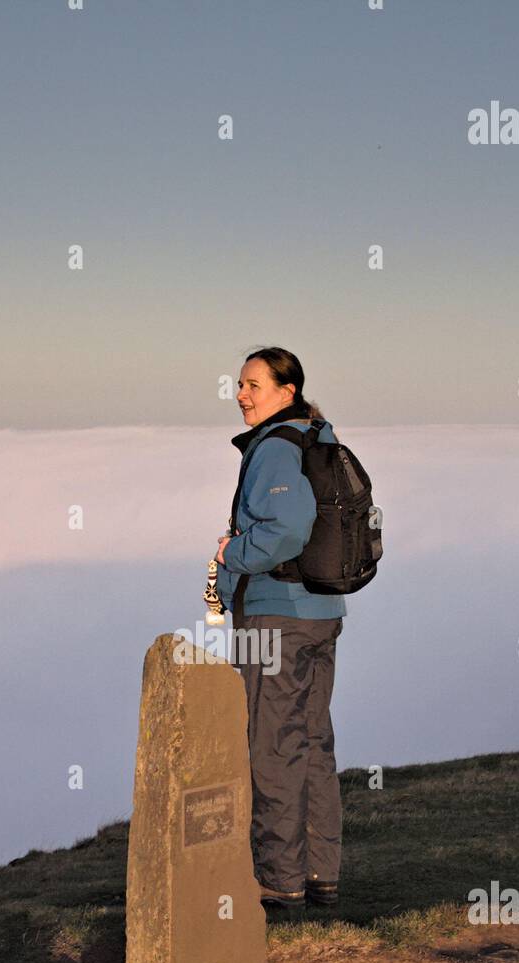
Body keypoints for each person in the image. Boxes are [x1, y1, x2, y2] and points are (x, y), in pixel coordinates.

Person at [213, 347, 347, 912]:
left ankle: (279, 883)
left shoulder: (275, 447)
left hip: (275, 617)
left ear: (286, 391)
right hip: (321, 614)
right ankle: (321, 875)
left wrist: (233, 552)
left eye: (253, 385)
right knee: (313, 743)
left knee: (272, 747)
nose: (241, 395)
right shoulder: (318, 440)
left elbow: (287, 530)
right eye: (238, 385)